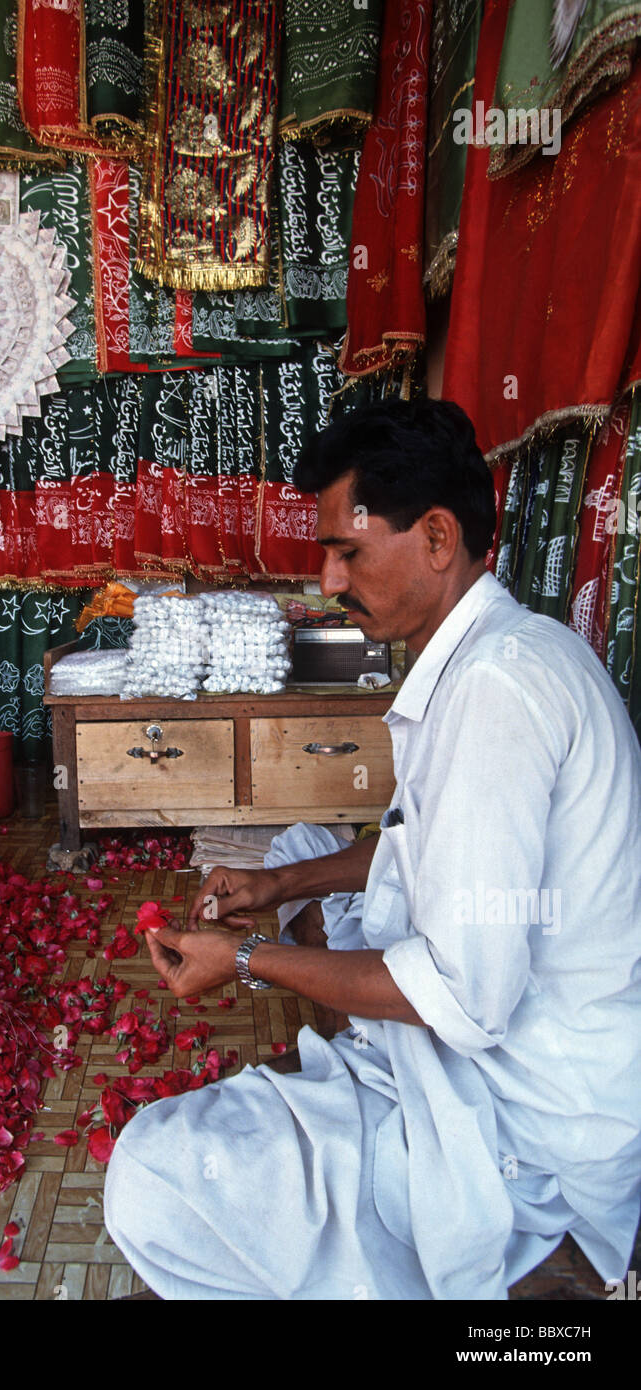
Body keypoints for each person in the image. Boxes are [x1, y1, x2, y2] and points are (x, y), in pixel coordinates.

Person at [103, 397, 641, 1300]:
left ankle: (488, 1263)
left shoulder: (496, 696)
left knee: (154, 1175)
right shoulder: (498, 653)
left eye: (347, 550)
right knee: (311, 841)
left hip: (523, 1117)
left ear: (436, 537)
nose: (325, 580)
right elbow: (415, 843)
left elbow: (461, 999)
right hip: (507, 999)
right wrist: (278, 883)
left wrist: (245, 959)